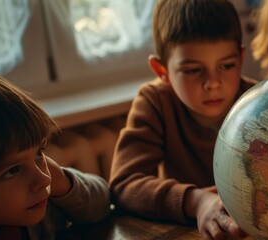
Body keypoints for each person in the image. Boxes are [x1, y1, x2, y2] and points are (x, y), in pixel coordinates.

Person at [109, 0, 257, 239]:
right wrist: (196, 201)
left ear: (240, 58)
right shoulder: (155, 102)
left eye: (227, 65)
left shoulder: (259, 102)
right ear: (162, 71)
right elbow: (123, 185)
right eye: (192, 70)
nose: (212, 83)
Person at [0, 73, 111, 239]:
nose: (45, 179)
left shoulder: (42, 208)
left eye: (39, 153)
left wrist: (64, 182)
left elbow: (102, 202)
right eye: (13, 170)